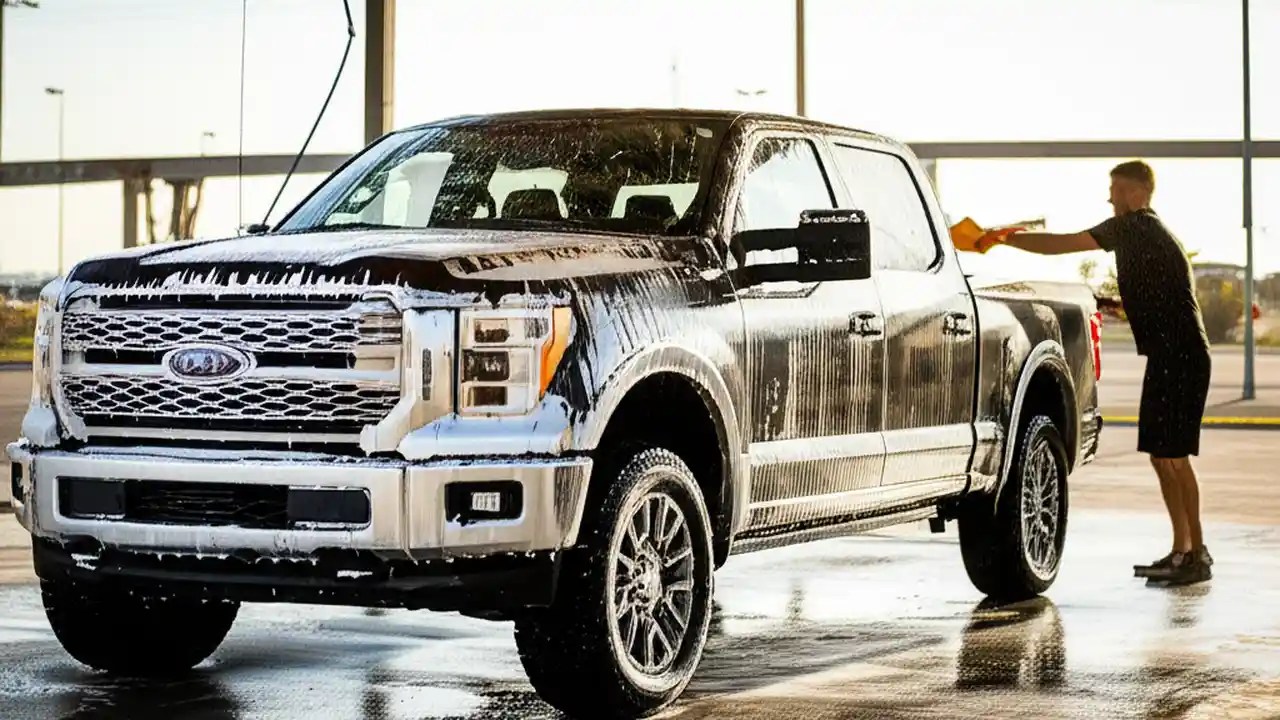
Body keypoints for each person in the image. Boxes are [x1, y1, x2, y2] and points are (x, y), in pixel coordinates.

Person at [982, 160, 1213, 586]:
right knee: (1163, 455)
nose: (1110, 197)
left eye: (1116, 189)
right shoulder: (1147, 234)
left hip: (1181, 357)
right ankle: (1183, 550)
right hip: (1170, 355)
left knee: (1174, 457)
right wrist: (1116, 305)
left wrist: (1005, 239)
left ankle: (1196, 553)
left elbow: (1062, 245)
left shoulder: (1135, 226)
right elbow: (1159, 296)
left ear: (1138, 192)